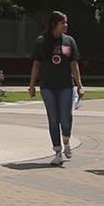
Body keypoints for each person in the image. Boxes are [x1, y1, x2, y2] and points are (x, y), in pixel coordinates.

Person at [27, 10, 83, 164]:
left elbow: (74, 64)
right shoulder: (42, 41)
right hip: (47, 86)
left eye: (66, 22)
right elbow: (36, 64)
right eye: (63, 22)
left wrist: (80, 86)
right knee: (53, 120)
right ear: (54, 24)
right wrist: (32, 86)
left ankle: (66, 139)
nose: (66, 25)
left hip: (65, 85)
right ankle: (57, 152)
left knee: (66, 118)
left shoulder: (69, 41)